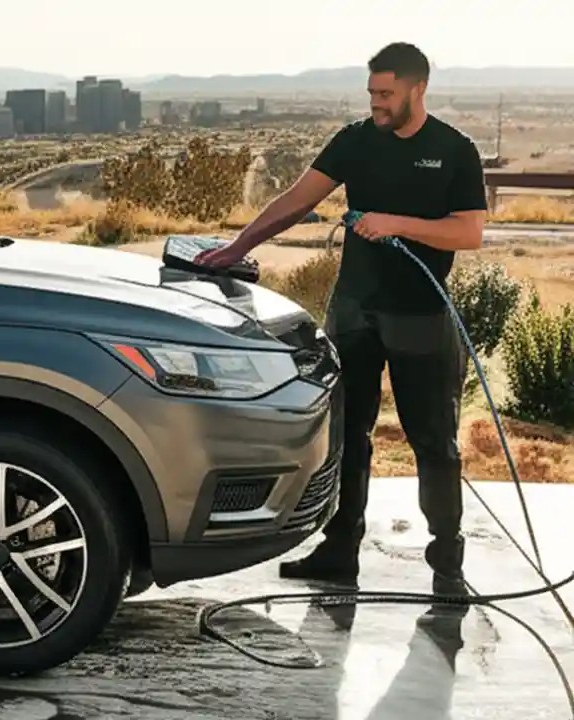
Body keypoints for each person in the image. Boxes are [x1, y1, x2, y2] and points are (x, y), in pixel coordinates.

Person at [196, 42, 487, 596]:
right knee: (345, 434)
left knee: (433, 441)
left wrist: (395, 223)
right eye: (371, 93)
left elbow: (468, 232)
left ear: (417, 89)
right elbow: (296, 200)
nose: (376, 103)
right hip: (353, 310)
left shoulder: (454, 150)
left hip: (420, 316)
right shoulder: (355, 141)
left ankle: (448, 567)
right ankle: (338, 551)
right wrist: (238, 246)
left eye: (386, 94)